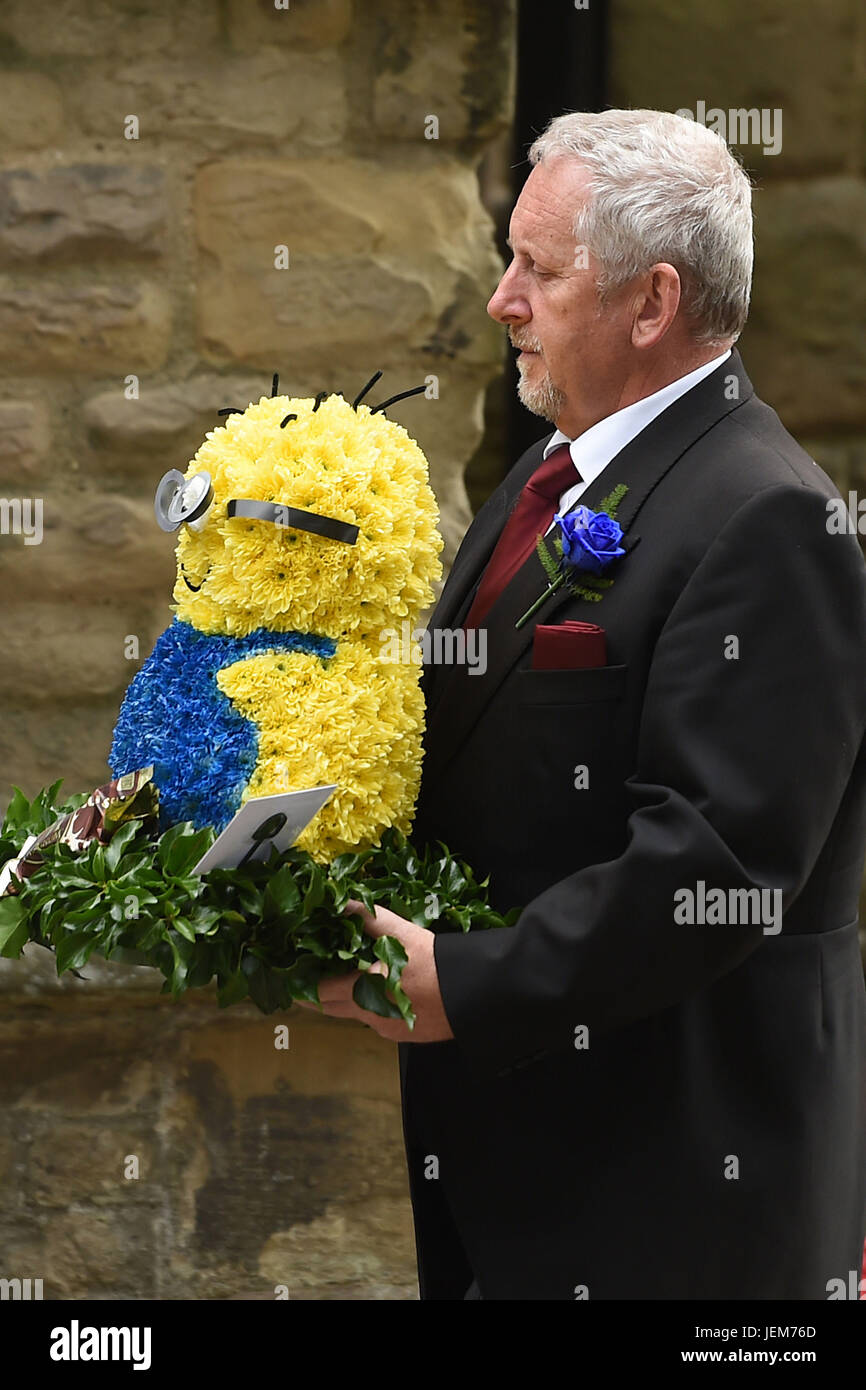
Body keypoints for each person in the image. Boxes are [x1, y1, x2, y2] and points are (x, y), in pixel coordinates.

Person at [300, 109, 866, 1300]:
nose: (502, 299)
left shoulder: (766, 518)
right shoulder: (555, 470)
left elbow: (718, 862)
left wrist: (466, 984)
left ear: (650, 304)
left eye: (538, 270)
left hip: (664, 1200)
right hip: (516, 1171)